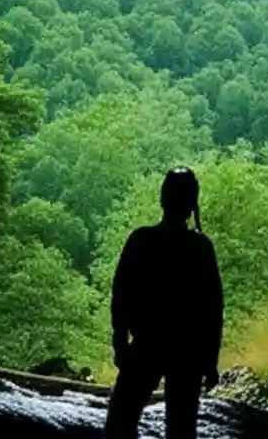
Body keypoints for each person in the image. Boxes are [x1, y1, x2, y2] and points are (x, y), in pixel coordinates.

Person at [104, 166, 224, 439]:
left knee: (120, 425)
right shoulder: (200, 248)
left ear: (162, 199)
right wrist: (210, 361)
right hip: (188, 353)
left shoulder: (141, 240)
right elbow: (213, 310)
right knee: (181, 431)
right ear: (192, 204)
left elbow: (120, 296)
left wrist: (120, 344)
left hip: (146, 346)